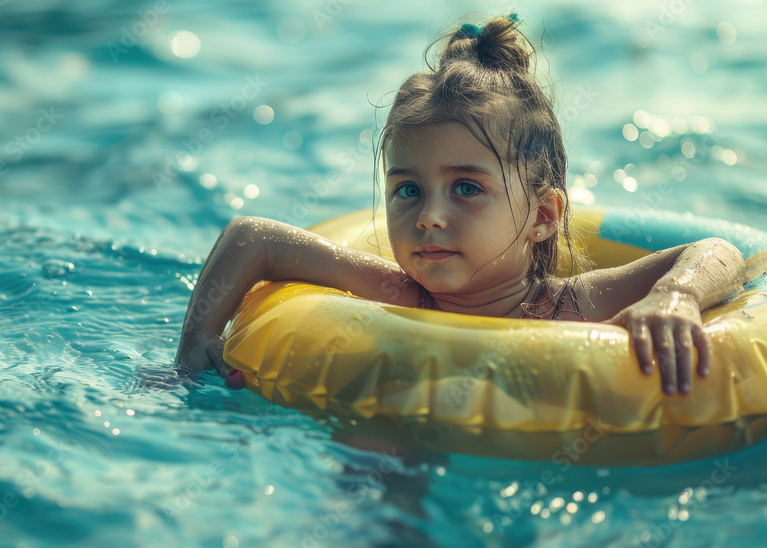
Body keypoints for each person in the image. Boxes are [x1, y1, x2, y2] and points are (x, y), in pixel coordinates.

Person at [173, 14, 747, 396]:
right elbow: (252, 238)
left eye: (466, 188)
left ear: (543, 218)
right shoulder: (401, 293)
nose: (429, 215)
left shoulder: (574, 305)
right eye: (407, 189)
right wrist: (195, 344)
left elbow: (719, 251)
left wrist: (677, 295)